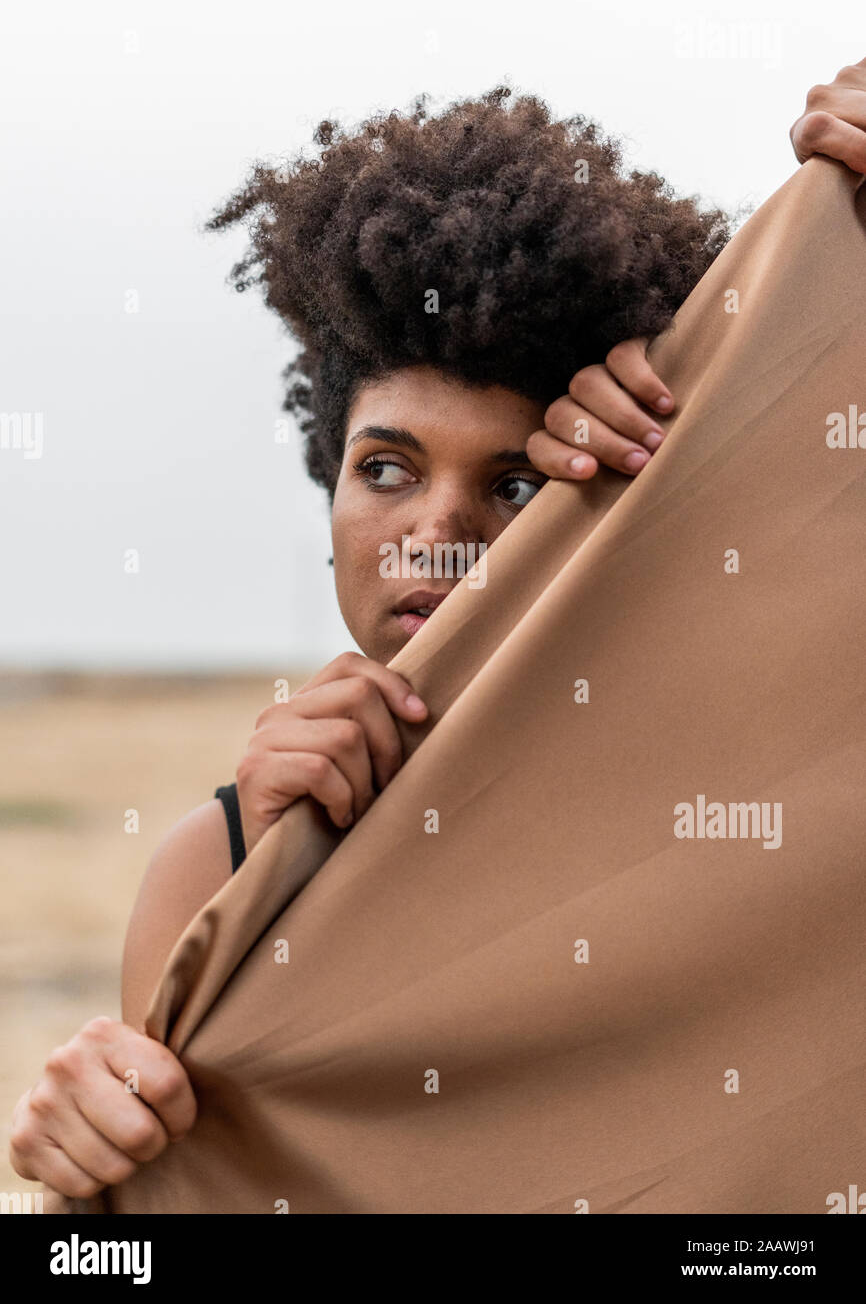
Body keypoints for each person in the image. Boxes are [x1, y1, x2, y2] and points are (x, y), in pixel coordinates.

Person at [10, 61, 866, 1203]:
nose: (438, 532)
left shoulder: (730, 791)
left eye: (514, 486)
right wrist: (94, 1144)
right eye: (384, 470)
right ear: (327, 488)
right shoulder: (214, 858)